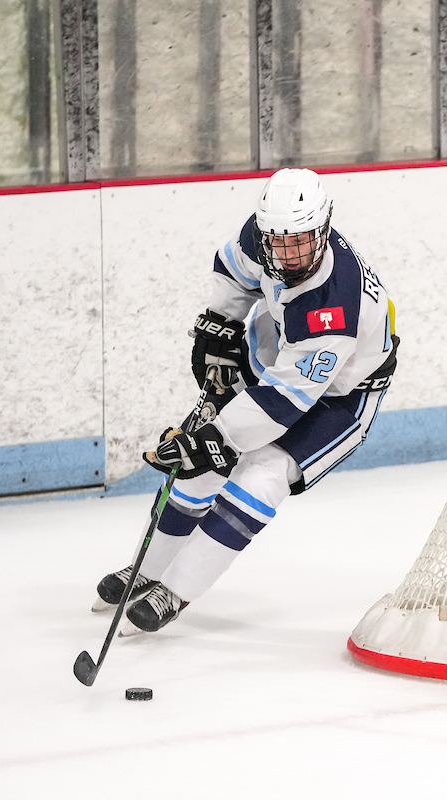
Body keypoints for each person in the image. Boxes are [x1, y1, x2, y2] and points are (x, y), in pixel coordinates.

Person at [92, 168, 399, 634]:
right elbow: (234, 272)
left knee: (260, 477)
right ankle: (145, 571)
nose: (288, 253)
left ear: (324, 228)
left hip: (341, 397)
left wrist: (218, 438)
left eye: (300, 241)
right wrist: (223, 324)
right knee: (197, 466)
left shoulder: (333, 305)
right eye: (279, 241)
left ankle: (175, 590)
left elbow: (285, 398)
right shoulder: (264, 234)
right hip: (277, 351)